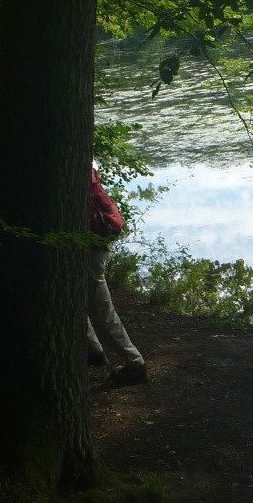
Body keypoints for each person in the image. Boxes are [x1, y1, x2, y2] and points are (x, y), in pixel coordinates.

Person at [85, 165, 148, 385]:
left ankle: (135, 364)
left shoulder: (75, 170)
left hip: (92, 246)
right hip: (93, 242)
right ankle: (92, 351)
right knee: (72, 295)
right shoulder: (86, 169)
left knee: (101, 309)